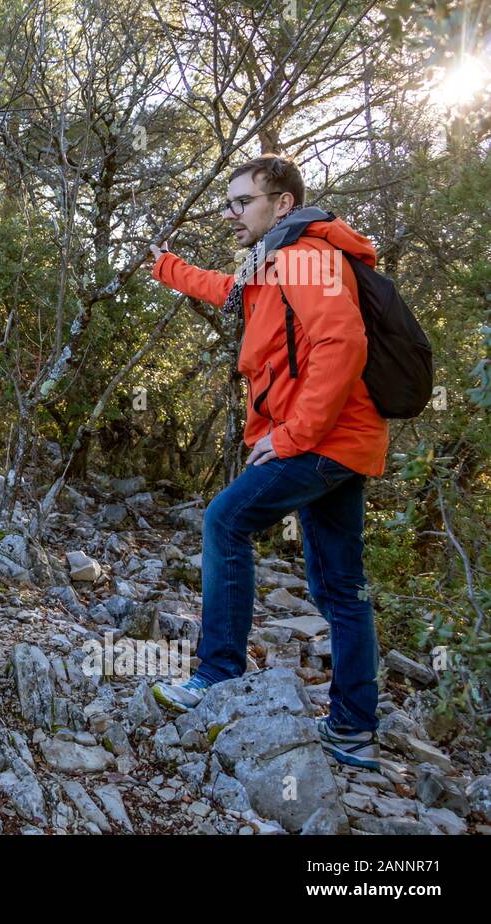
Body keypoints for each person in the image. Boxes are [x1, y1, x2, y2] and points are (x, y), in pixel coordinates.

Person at [146, 154, 388, 770]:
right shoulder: (274, 262)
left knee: (227, 521)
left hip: (323, 440)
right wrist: (166, 267)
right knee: (341, 583)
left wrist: (290, 437)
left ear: (281, 202)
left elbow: (344, 342)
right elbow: (230, 292)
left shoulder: (308, 257)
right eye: (227, 203)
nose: (231, 214)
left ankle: (218, 675)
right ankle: (354, 731)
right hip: (340, 442)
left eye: (241, 202)